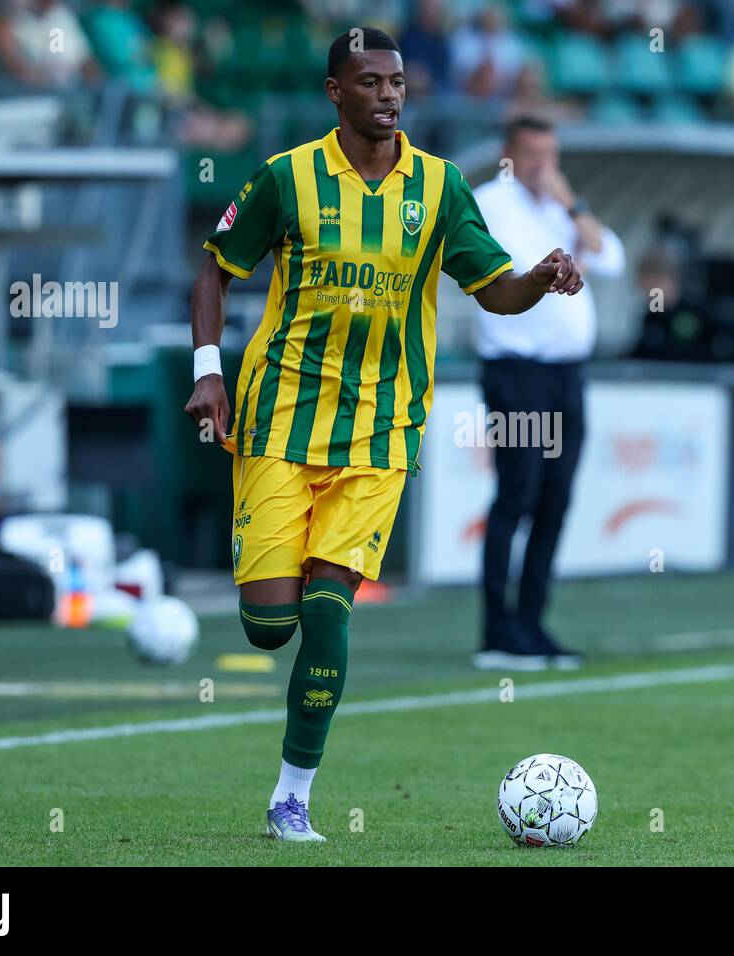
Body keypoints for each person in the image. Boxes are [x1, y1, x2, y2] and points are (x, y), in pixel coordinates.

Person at [182, 27, 584, 843]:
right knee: (267, 627)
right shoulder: (286, 179)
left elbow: (494, 292)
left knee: (329, 614)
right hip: (280, 422)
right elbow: (215, 273)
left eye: (396, 81)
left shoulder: (438, 188)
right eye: (369, 82)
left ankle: (291, 797)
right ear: (337, 92)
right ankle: (277, 585)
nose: (389, 95)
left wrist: (539, 280)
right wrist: (207, 371)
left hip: (380, 433)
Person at [468, 115, 624, 670]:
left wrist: (572, 202)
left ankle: (531, 622)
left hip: (566, 376)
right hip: (518, 372)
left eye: (549, 154)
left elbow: (610, 256)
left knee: (556, 499)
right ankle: (497, 630)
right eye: (531, 153)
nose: (541, 164)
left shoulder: (559, 208)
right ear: (508, 152)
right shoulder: (489, 202)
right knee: (518, 495)